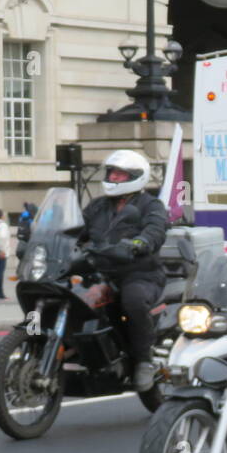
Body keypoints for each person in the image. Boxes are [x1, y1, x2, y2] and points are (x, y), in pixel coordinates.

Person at [76, 149, 169, 392]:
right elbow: (75, 230)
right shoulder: (97, 206)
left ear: (136, 177)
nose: (114, 178)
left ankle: (143, 360)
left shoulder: (151, 205)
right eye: (112, 173)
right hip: (100, 272)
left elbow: (156, 229)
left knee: (133, 301)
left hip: (139, 272)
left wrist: (139, 243)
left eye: (120, 175)